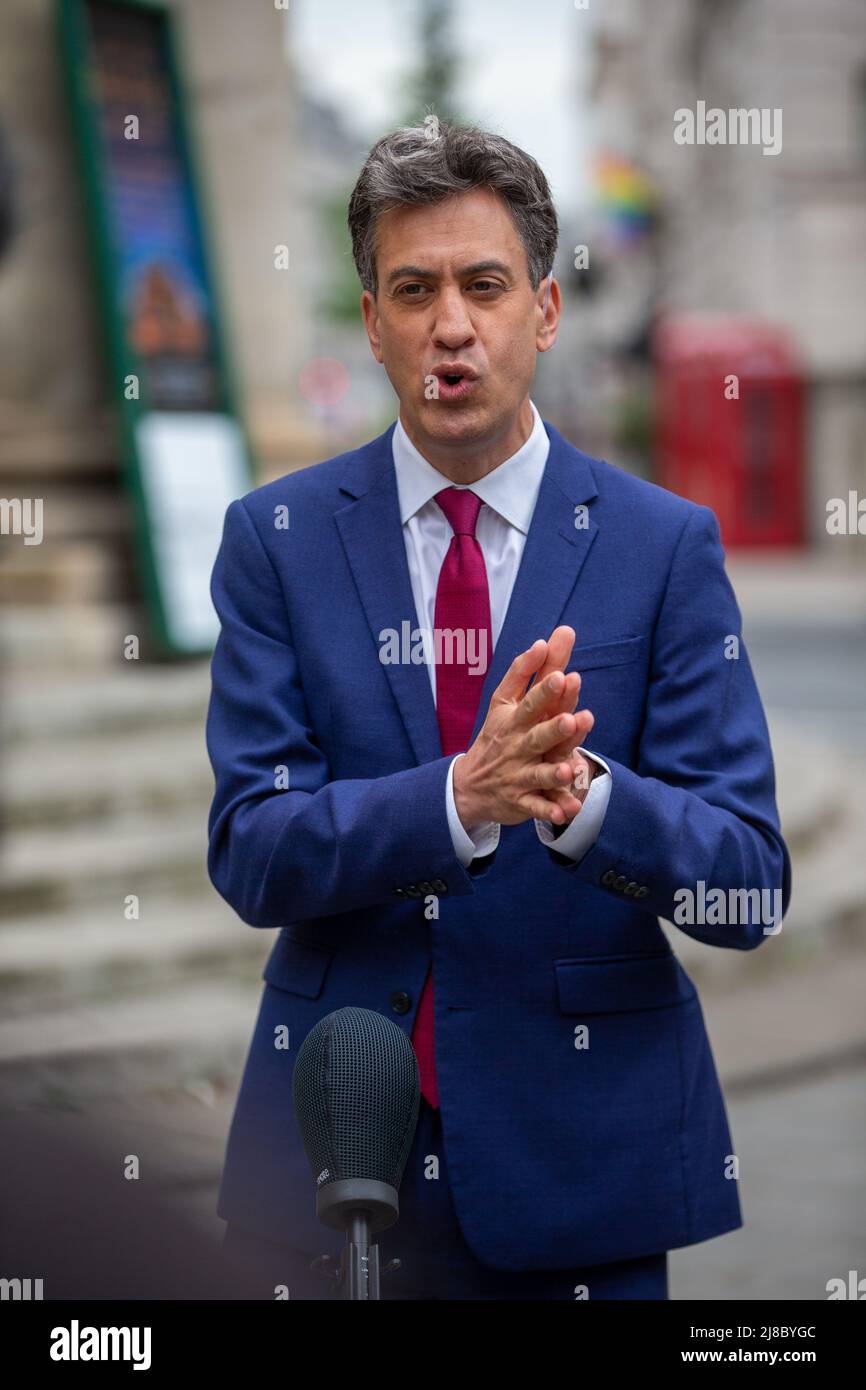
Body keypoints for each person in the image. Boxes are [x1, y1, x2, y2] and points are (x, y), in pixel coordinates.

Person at [206, 121, 791, 1301]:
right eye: (412, 290)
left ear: (546, 307)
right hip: (338, 1156)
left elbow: (749, 883)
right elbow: (251, 851)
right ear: (371, 321)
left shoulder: (663, 547)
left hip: (582, 1176)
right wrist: (454, 801)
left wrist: (587, 805)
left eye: (483, 284)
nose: (450, 325)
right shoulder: (274, 540)